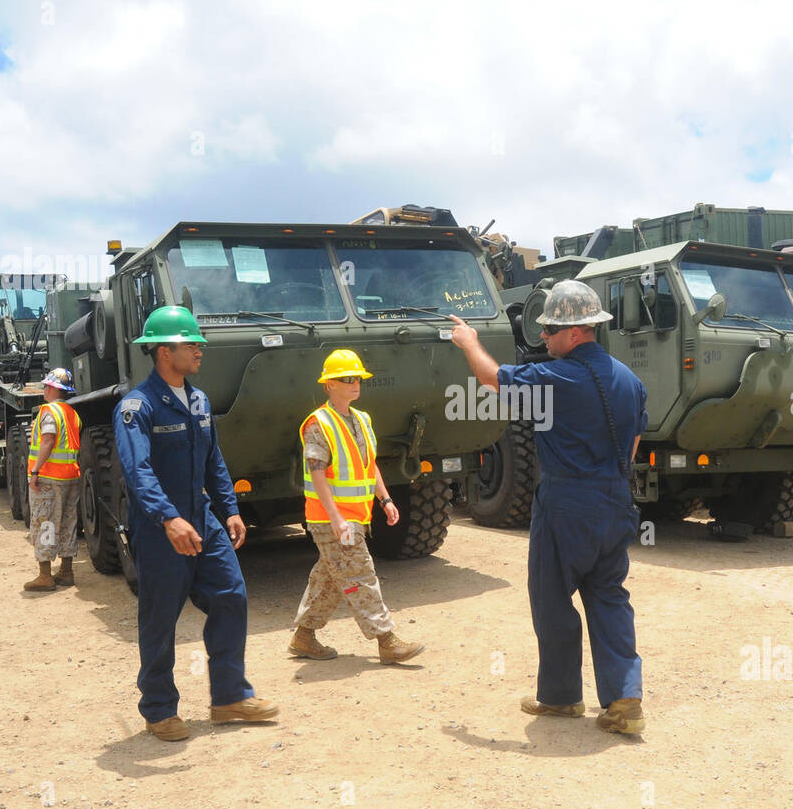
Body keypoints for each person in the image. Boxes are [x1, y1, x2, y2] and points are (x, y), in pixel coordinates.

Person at [450, 280, 648, 734]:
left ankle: (561, 699)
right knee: (609, 595)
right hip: (615, 501)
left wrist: (470, 342)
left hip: (566, 505)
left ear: (575, 331)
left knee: (551, 597)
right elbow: (634, 444)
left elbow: (491, 379)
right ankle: (624, 699)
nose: (543, 338)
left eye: (549, 330)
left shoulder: (557, 378)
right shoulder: (631, 381)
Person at [113, 306, 277, 742]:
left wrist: (230, 510)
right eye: (191, 343)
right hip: (160, 528)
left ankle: (228, 698)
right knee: (160, 618)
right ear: (164, 353)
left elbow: (213, 461)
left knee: (231, 596)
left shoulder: (200, 400)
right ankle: (159, 709)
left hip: (203, 520)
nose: (200, 348)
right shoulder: (137, 407)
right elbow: (138, 470)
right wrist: (168, 518)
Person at [290, 349, 425, 665]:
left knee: (331, 579)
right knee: (360, 574)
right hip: (332, 519)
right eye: (346, 379)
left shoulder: (362, 419)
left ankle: (303, 637)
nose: (354, 384)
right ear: (329, 385)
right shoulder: (318, 424)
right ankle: (386, 640)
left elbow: (369, 465)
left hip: (357, 515)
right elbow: (316, 473)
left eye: (357, 378)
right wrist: (336, 518)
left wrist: (386, 499)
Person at [24, 369, 82, 592]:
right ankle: (66, 571)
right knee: (68, 522)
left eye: (46, 386)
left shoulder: (48, 411)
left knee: (45, 522)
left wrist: (35, 471)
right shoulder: (72, 413)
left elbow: (48, 440)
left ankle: (45, 576)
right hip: (70, 476)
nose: (44, 390)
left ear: (53, 389)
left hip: (49, 478)